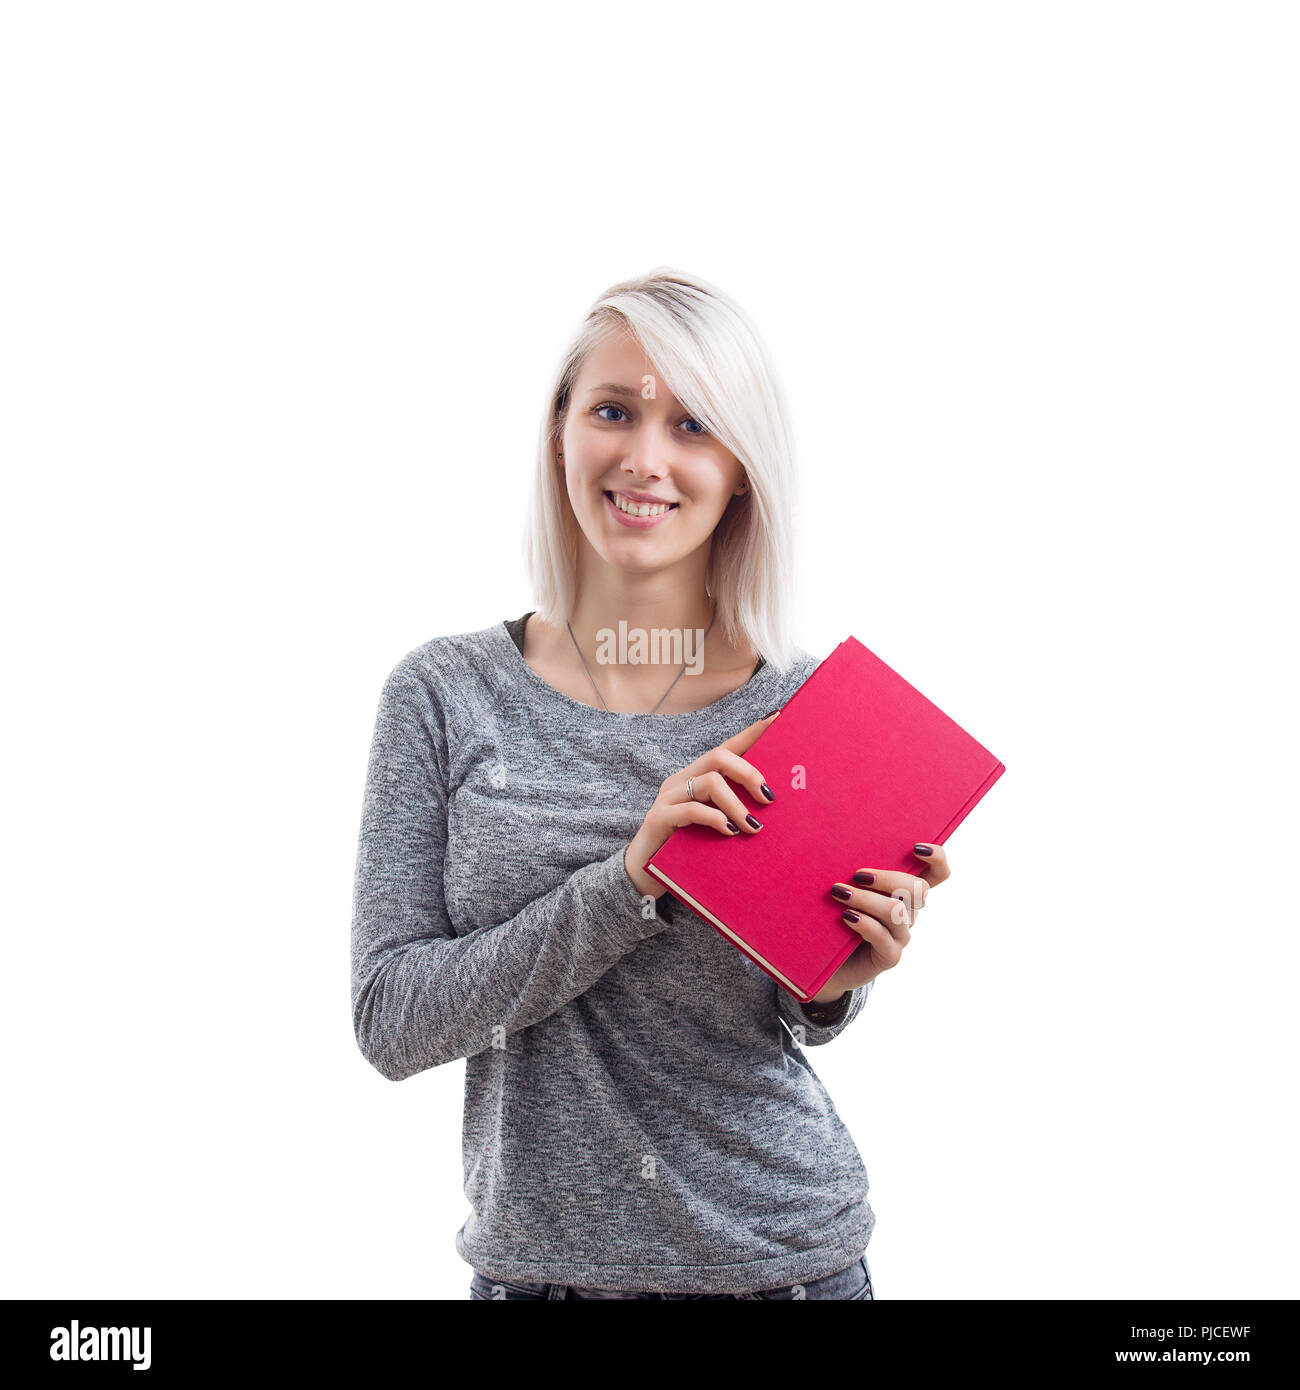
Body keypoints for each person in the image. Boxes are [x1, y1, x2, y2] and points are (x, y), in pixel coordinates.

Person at [349, 266, 950, 1299]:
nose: (644, 457)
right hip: (540, 1276)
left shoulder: (810, 709)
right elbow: (393, 1021)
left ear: (743, 468)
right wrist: (633, 879)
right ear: (559, 432)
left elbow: (789, 1013)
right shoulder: (443, 696)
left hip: (786, 1264)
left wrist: (837, 983)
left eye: (695, 425)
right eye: (614, 410)